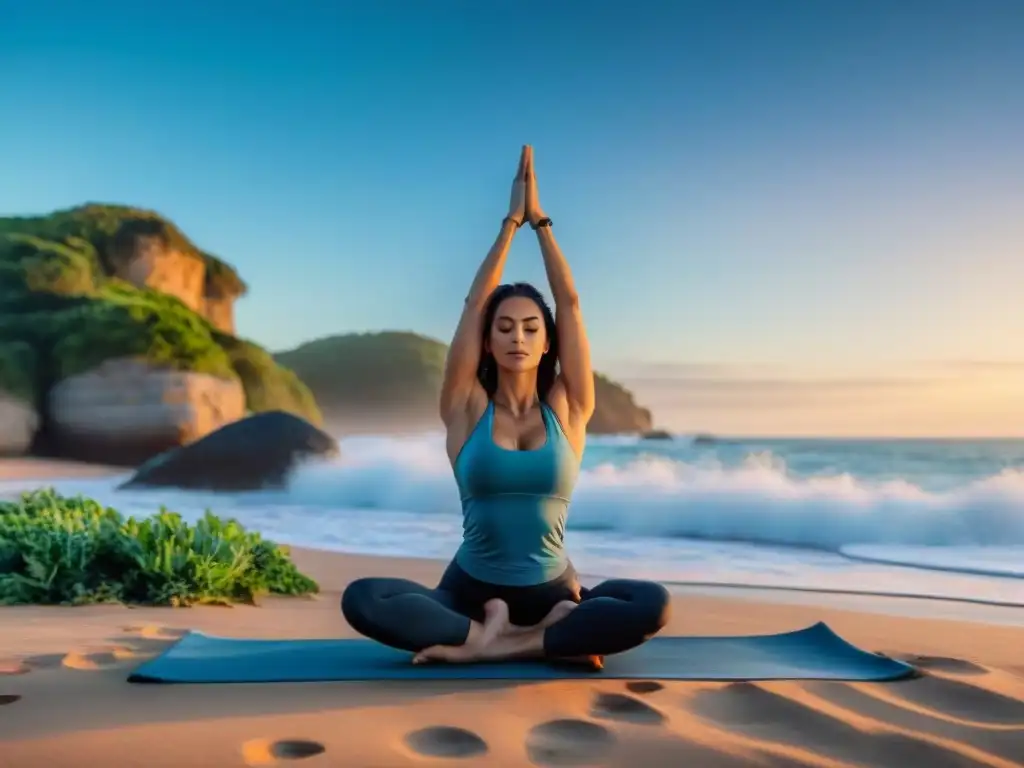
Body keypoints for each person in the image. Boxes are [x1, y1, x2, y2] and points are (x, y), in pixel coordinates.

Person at [341, 145, 670, 668]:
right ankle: (538, 638)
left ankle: (496, 643)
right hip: (471, 591)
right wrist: (510, 223)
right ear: (488, 342)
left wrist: (542, 224)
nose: (518, 337)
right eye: (505, 327)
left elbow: (572, 305)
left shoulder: (569, 408)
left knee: (653, 604)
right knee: (361, 598)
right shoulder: (466, 408)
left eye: (531, 328)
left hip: (552, 590)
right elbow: (474, 304)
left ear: (547, 344)